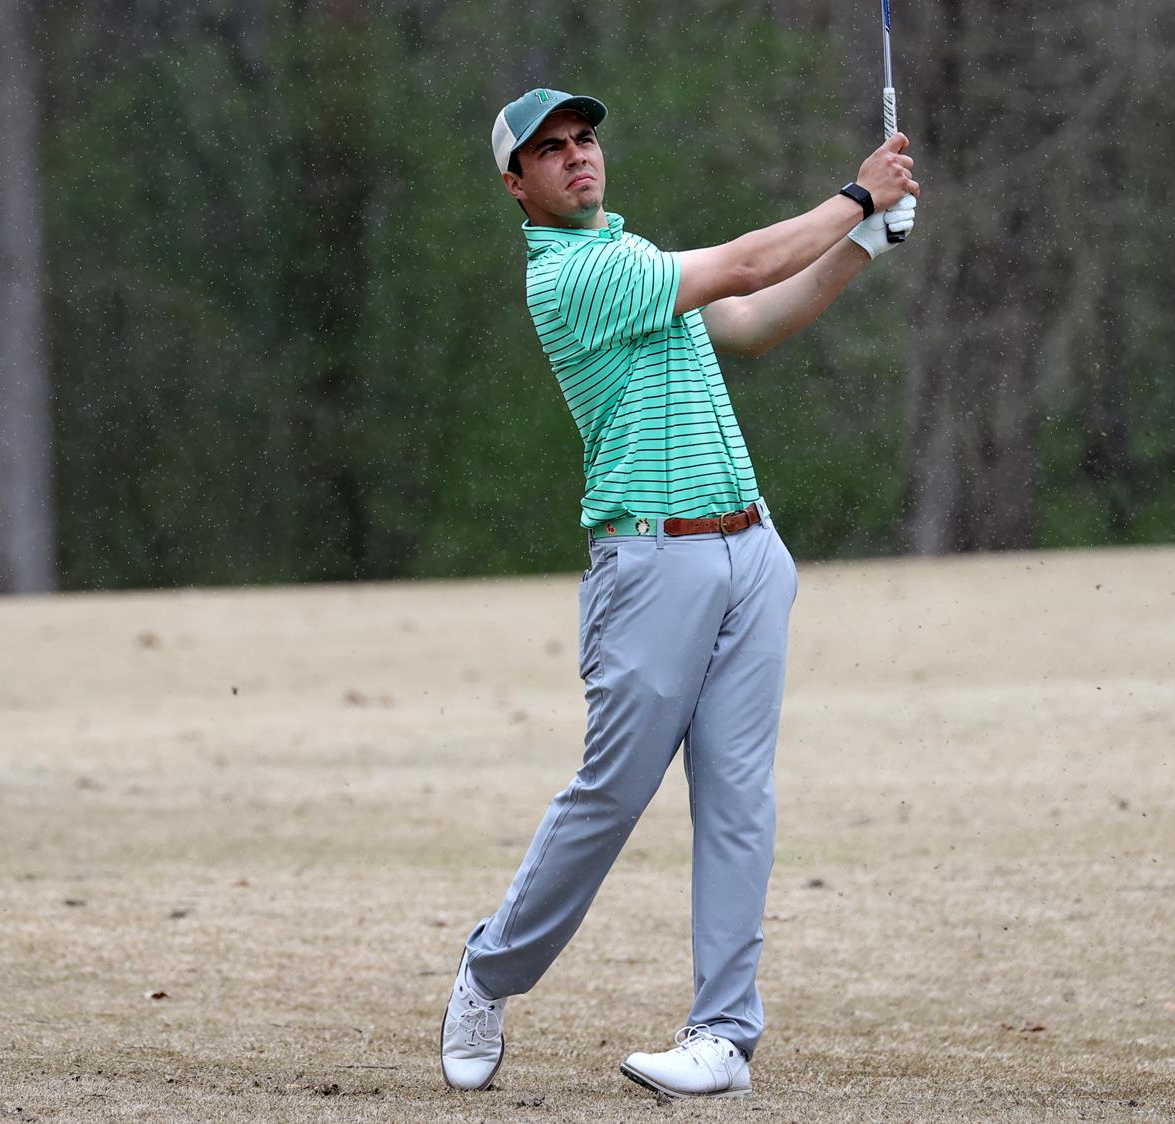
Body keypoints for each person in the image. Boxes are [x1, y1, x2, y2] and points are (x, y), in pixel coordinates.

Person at [440, 87, 918, 1100]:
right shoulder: (572, 275)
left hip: (747, 549)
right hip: (647, 564)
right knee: (610, 795)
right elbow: (743, 264)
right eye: (549, 150)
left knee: (739, 801)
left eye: (584, 140)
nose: (576, 157)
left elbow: (746, 319)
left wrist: (860, 246)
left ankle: (721, 1036)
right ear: (515, 185)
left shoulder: (635, 255)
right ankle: (489, 971)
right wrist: (853, 194)